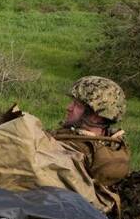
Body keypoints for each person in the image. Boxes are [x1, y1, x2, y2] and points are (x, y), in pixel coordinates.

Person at [49, 76, 130, 211]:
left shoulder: (75, 148)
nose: (69, 108)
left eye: (77, 105)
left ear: (96, 115)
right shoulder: (115, 144)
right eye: (72, 102)